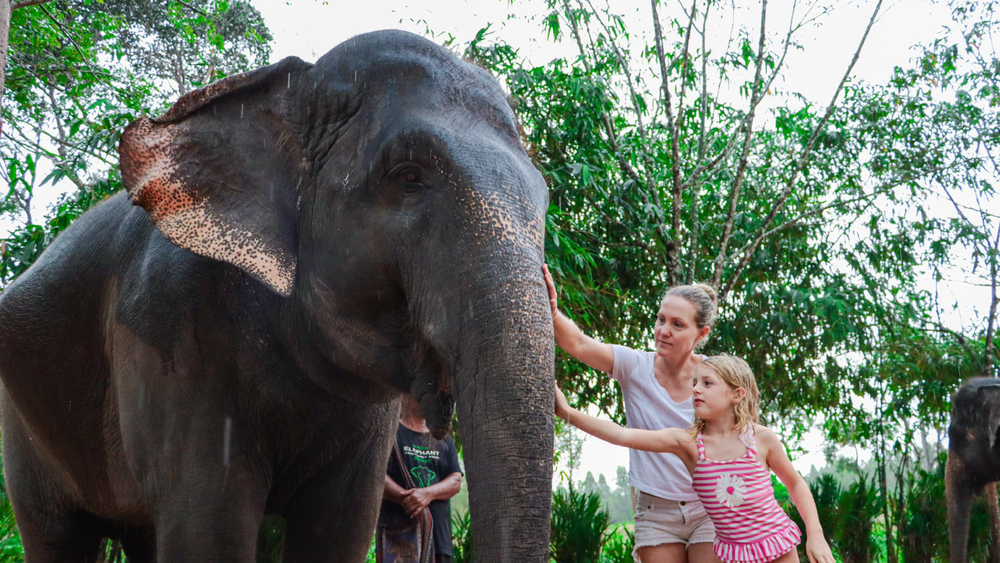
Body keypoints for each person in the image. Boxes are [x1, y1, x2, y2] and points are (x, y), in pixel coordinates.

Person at [555, 355, 836, 563]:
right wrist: (567, 411)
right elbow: (621, 435)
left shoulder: (761, 439)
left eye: (707, 383)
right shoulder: (688, 444)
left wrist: (816, 533)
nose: (696, 389)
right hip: (732, 554)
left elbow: (796, 484)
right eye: (694, 383)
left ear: (737, 394)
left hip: (776, 546)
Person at [544, 264, 720, 563]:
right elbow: (578, 343)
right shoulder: (634, 365)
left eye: (678, 324)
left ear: (700, 333)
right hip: (656, 512)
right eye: (661, 319)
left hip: (710, 508)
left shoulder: (714, 377)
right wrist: (551, 309)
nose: (663, 330)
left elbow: (743, 439)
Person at [380, 396, 464, 563]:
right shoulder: (390, 433)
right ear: (403, 398)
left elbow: (455, 481)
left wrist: (428, 494)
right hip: (398, 540)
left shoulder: (443, 438)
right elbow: (377, 477)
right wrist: (405, 497)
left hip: (439, 540)